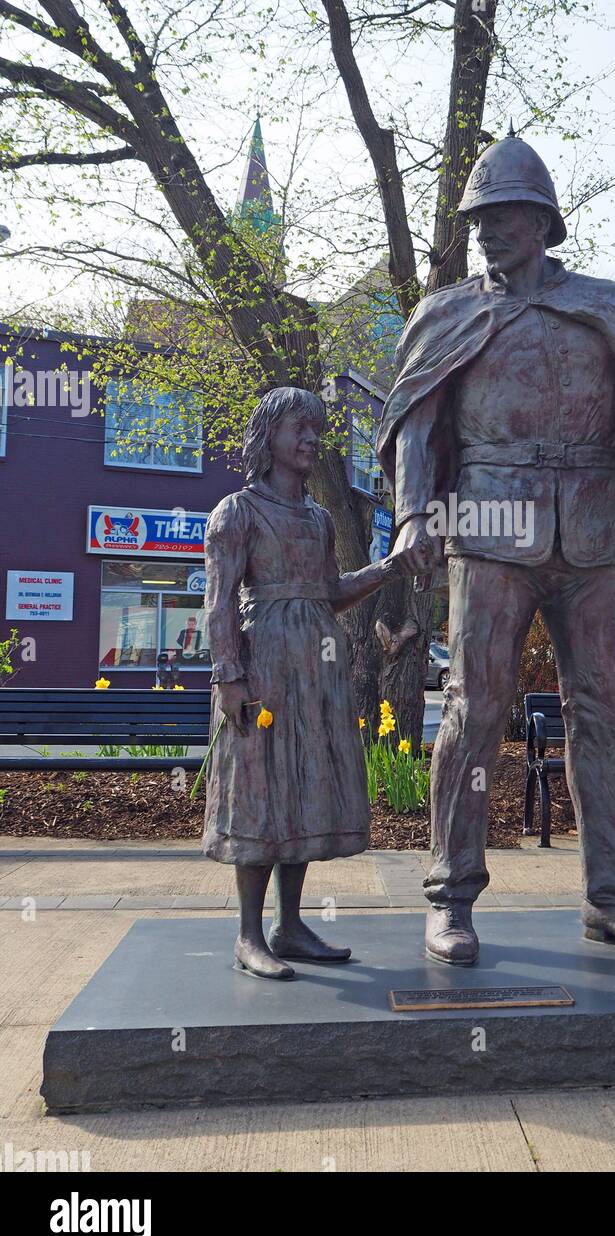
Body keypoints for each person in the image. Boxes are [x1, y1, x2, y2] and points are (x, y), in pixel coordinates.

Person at [377, 134, 615, 967]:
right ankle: (449, 898)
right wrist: (414, 514)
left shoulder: (614, 306)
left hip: (593, 533)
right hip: (487, 531)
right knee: (472, 709)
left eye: (505, 215)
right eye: (479, 218)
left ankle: (614, 898)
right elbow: (416, 420)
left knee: (602, 711)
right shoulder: (448, 313)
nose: (488, 230)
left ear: (544, 222)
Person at [203, 386, 398, 979]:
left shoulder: (319, 519)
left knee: (304, 784)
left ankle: (289, 925)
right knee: (262, 790)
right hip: (263, 663)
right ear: (270, 438)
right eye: (299, 428)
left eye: (316, 429)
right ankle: (247, 933)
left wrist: (388, 568)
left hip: (317, 668)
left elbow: (330, 593)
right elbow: (216, 606)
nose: (312, 439)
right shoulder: (236, 513)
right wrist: (229, 678)